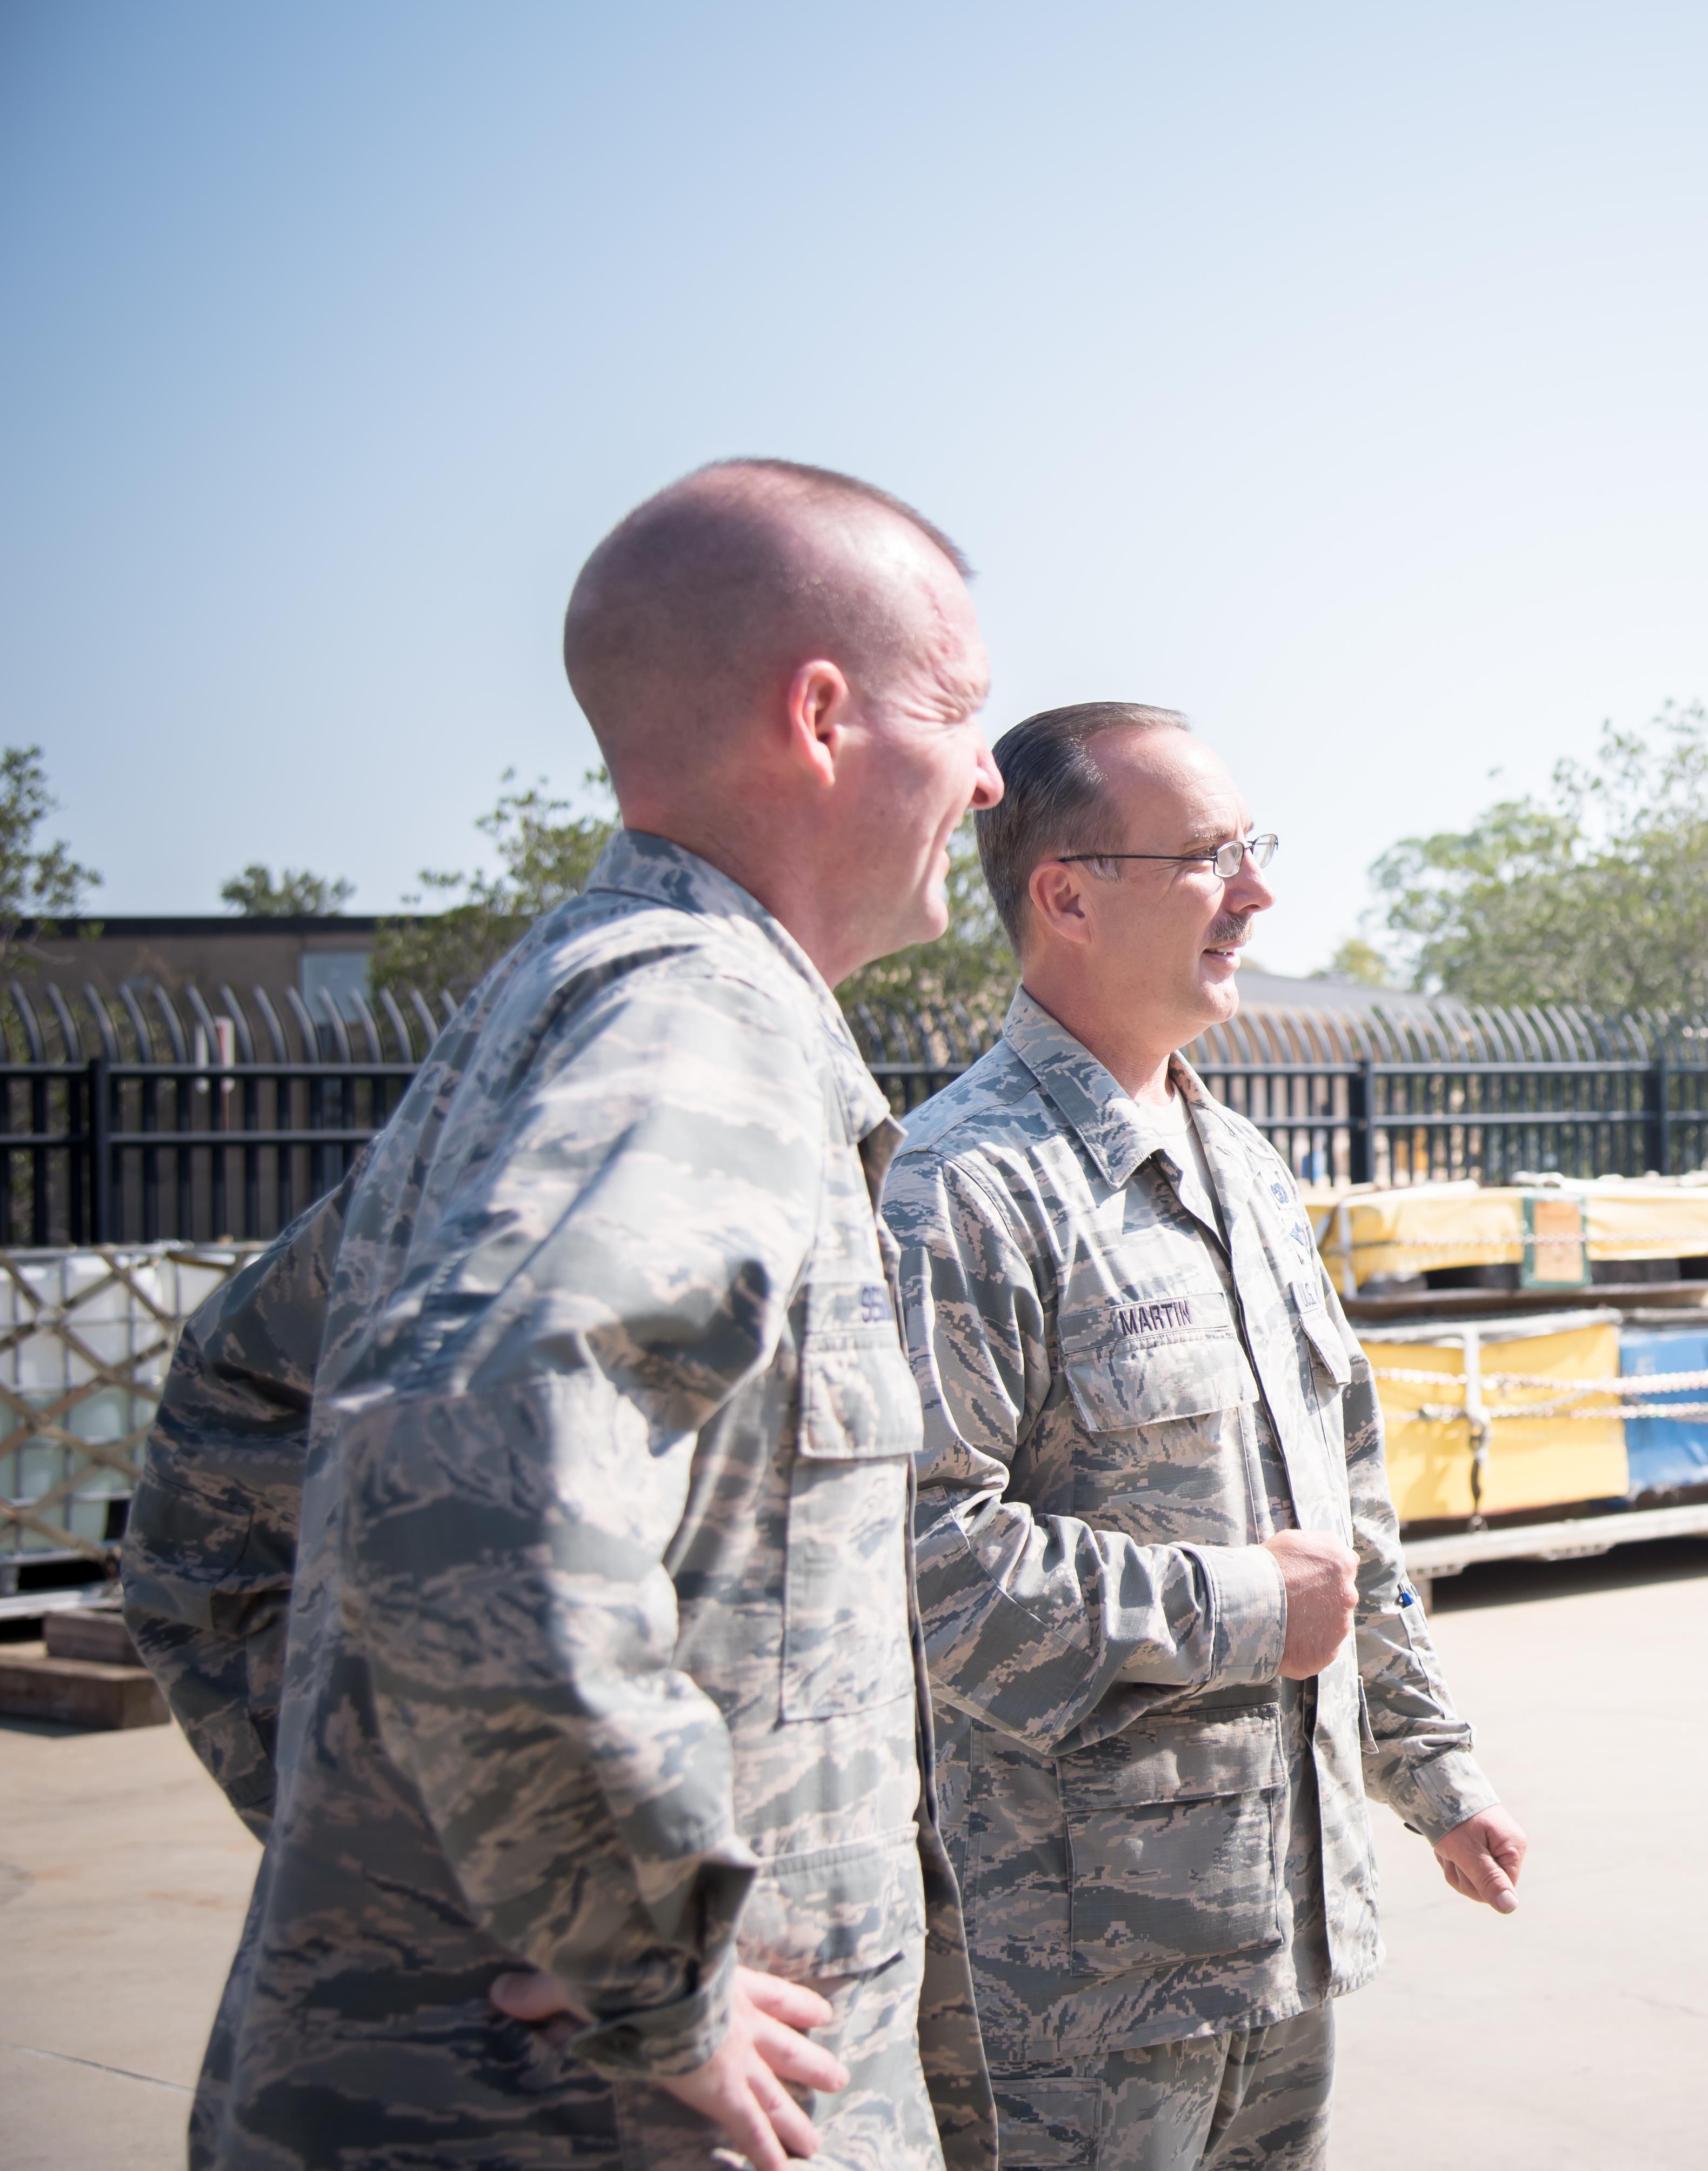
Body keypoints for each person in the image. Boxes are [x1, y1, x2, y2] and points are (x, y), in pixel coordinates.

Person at [120, 458, 1006, 2170]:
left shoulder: (567, 1010)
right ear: (821, 717)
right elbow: (474, 1447)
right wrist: (635, 1946)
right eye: (960, 711)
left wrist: (425, 1862)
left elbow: (223, 1437)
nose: (985, 776)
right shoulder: (696, 1024)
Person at [879, 701, 1528, 2169]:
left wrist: (1434, 1771)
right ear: (1066, 896)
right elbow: (920, 1564)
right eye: (1209, 857)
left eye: (1255, 848)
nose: (1259, 891)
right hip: (1075, 1984)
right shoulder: (959, 1191)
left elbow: (1349, 1511)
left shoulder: (1239, 1169)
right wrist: (1246, 1610)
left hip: (1273, 1927)